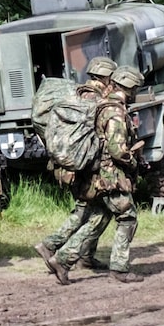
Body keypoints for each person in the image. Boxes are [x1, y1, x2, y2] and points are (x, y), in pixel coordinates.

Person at [48, 64, 144, 284]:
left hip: (97, 175)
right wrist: (131, 160)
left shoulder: (102, 105)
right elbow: (117, 149)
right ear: (129, 87)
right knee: (128, 217)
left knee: (98, 218)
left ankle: (62, 259)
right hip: (110, 176)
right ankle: (119, 268)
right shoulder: (115, 111)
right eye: (136, 88)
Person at [36, 57, 115, 268]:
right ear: (106, 78)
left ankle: (77, 254)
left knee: (85, 208)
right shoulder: (94, 102)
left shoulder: (75, 95)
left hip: (70, 164)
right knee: (98, 211)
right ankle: (58, 250)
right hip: (87, 166)